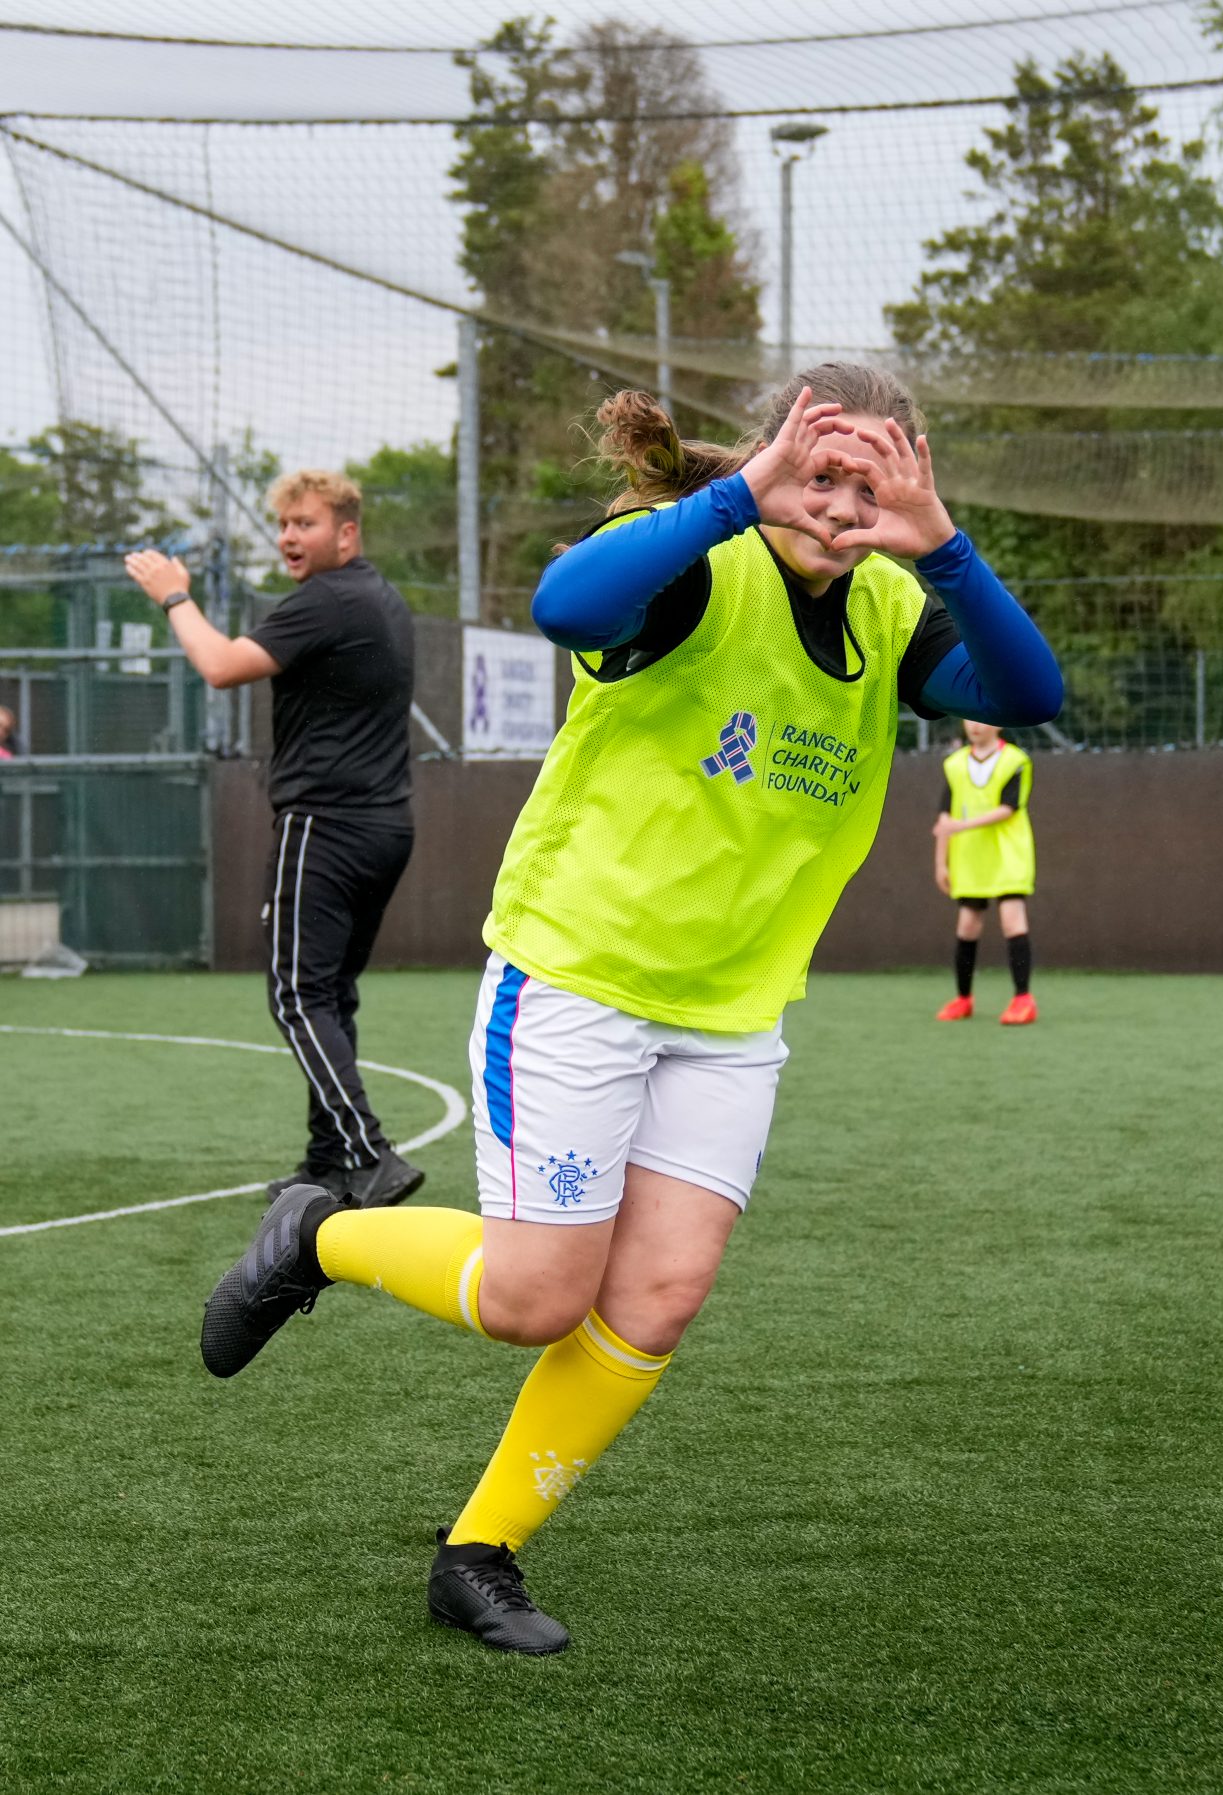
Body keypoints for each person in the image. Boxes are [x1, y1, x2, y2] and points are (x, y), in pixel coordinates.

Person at [198, 364, 1063, 1657]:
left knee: (657, 1293)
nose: (837, 503)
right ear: (769, 454)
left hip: (730, 1010)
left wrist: (939, 543)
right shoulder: (689, 560)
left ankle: (478, 1548)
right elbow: (564, 602)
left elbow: (1029, 687)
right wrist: (738, 500)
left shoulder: (895, 603)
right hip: (579, 974)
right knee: (540, 1293)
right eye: (816, 470)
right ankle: (318, 1232)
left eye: (865, 480)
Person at [124, 471, 424, 1210]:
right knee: (329, 995)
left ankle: (366, 1150)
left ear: (346, 533)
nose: (289, 536)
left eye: (305, 523)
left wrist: (174, 594)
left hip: (325, 824)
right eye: (284, 524)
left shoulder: (327, 600)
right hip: (385, 824)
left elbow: (221, 666)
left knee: (296, 994)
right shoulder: (380, 596)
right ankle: (330, 1162)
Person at [933, 718, 1037, 1025]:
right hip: (970, 857)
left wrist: (961, 826)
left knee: (1011, 919)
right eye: (969, 718)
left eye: (983, 719)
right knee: (967, 926)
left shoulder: (1016, 761)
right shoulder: (954, 765)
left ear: (1001, 724)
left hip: (1008, 854)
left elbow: (1008, 809)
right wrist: (941, 862)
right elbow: (944, 818)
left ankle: (1023, 998)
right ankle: (963, 999)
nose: (975, 725)